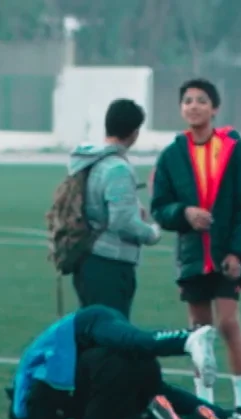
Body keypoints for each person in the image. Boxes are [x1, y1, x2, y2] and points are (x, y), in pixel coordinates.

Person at [152, 78, 241, 417]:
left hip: (226, 256)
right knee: (199, 334)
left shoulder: (234, 151)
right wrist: (184, 213)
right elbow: (160, 208)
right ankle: (206, 404)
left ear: (214, 109)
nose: (194, 106)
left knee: (229, 324)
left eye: (201, 100)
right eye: (187, 101)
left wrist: (238, 253)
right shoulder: (172, 155)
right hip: (191, 257)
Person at [8, 308, 241, 419]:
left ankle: (187, 340)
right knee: (159, 390)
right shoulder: (46, 376)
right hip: (127, 362)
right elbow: (83, 410)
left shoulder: (32, 399)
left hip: (103, 350)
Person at [64, 98, 163, 316]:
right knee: (111, 337)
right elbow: (123, 222)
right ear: (135, 133)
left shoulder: (87, 160)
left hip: (86, 257)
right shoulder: (118, 168)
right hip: (110, 263)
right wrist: (152, 233)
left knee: (92, 332)